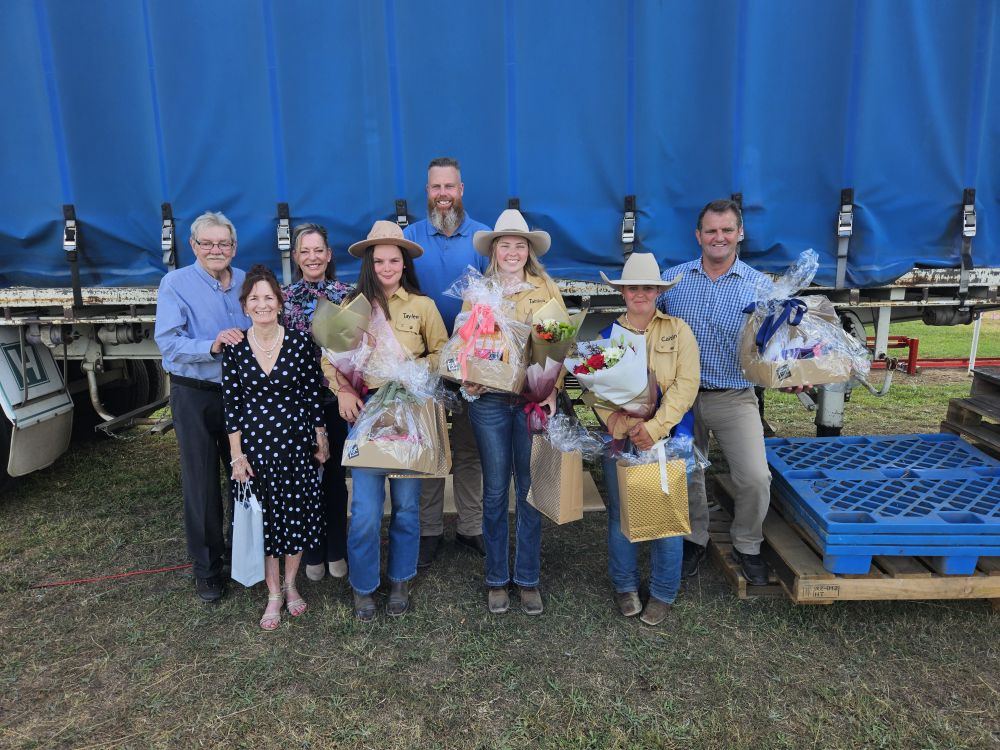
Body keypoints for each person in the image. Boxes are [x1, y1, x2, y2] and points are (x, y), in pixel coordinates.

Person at [325, 221, 448, 620]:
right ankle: (363, 587)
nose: (387, 266)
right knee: (363, 509)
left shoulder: (423, 306)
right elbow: (330, 358)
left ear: (404, 262)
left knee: (408, 506)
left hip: (410, 411)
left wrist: (414, 369)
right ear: (369, 263)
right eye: (379, 260)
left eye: (394, 259)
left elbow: (444, 354)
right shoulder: (354, 306)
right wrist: (342, 390)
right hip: (368, 411)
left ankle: (400, 580)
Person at [658, 199, 773, 586]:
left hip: (734, 395)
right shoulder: (672, 281)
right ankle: (695, 539)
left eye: (727, 230)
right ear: (698, 235)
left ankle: (747, 544)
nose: (719, 237)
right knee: (687, 474)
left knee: (755, 477)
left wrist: (794, 371)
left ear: (740, 233)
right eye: (711, 231)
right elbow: (646, 324)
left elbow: (779, 346)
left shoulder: (761, 287)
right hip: (682, 398)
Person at [463, 209, 565, 615]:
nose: (512, 251)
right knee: (493, 489)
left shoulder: (545, 289)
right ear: (493, 250)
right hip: (488, 402)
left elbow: (559, 345)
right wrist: (466, 377)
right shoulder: (477, 292)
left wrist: (551, 389)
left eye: (519, 245)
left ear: (529, 250)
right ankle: (495, 577)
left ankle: (527, 578)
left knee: (529, 488)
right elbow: (462, 345)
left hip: (528, 402)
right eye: (504, 245)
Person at [597, 253, 700, 626]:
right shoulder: (609, 336)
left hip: (669, 438)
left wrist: (654, 428)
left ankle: (663, 592)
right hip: (623, 439)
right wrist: (618, 422)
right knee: (620, 513)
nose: (640, 293)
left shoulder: (678, 330)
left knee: (667, 517)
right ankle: (624, 586)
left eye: (647, 287)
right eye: (633, 287)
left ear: (658, 291)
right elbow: (595, 393)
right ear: (623, 292)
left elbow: (687, 384)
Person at [224, 265, 328, 630]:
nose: (263, 304)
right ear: (245, 305)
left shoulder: (300, 342)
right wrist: (237, 455)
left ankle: (291, 585)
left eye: (269, 297)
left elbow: (313, 394)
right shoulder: (235, 348)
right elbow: (232, 405)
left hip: (295, 444)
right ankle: (272, 594)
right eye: (255, 298)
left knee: (295, 518)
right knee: (266, 523)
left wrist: (321, 436)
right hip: (255, 449)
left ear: (280, 302)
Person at [155, 211, 251, 603]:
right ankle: (207, 570)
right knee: (201, 481)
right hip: (195, 393)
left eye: (223, 243)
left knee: (243, 476)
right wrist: (211, 344)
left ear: (234, 246)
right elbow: (169, 343)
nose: (216, 250)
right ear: (193, 246)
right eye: (207, 243)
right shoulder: (175, 283)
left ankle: (241, 557)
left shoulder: (245, 282)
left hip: (239, 394)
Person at [403, 157, 490, 567]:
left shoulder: (484, 239)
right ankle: (429, 530)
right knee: (429, 447)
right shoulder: (410, 238)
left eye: (449, 187)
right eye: (435, 188)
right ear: (427, 192)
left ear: (461, 189)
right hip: (423, 362)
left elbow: (498, 305)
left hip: (472, 364)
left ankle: (471, 527)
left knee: (469, 449)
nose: (442, 195)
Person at [281, 223, 353, 583]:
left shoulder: (346, 295)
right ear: (296, 257)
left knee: (336, 477)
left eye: (318, 250)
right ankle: (312, 552)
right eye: (304, 251)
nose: (312, 257)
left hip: (337, 397)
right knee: (306, 478)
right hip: (297, 403)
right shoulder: (281, 298)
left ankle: (337, 548)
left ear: (328, 255)